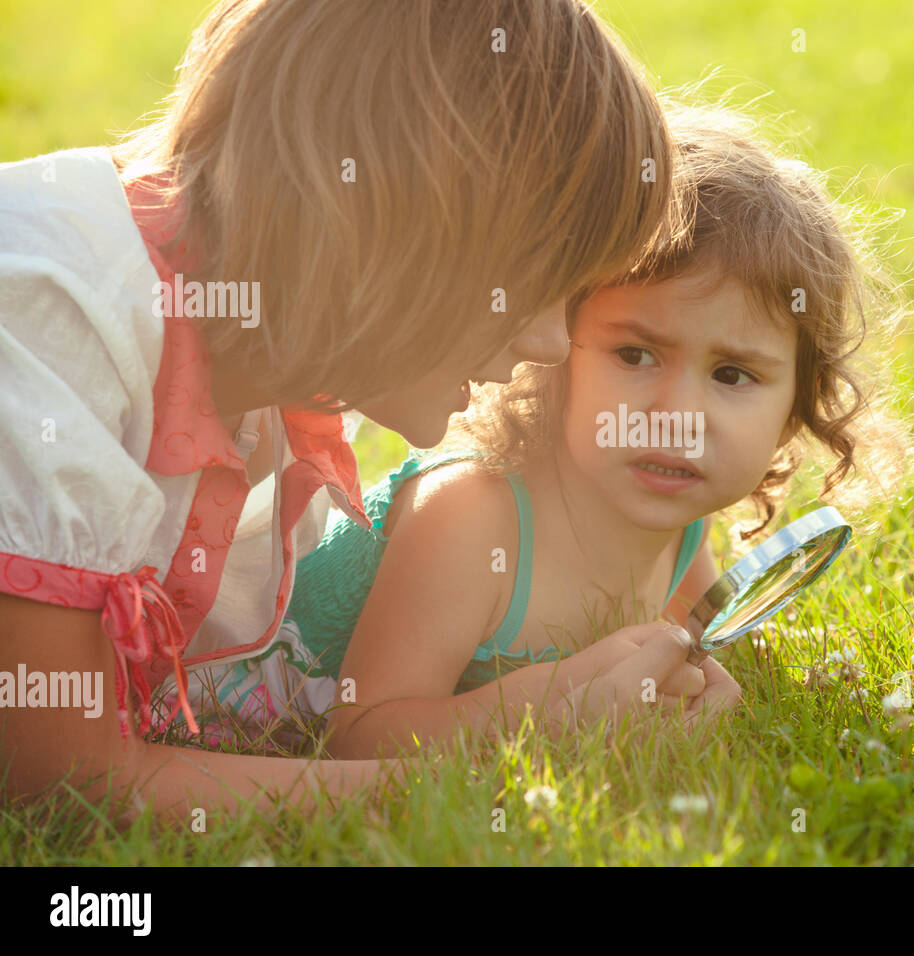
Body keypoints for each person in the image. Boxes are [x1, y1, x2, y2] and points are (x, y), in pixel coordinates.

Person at [0, 0, 729, 823]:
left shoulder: (272, 378)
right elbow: (62, 779)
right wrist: (517, 757)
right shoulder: (50, 313)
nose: (555, 342)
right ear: (391, 227)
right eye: (534, 282)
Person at [246, 104, 914, 759]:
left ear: (796, 412)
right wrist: (559, 702)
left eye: (734, 375)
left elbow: (705, 649)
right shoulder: (475, 519)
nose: (678, 416)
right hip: (222, 713)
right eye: (634, 354)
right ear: (553, 356)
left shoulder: (680, 521)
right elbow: (361, 735)